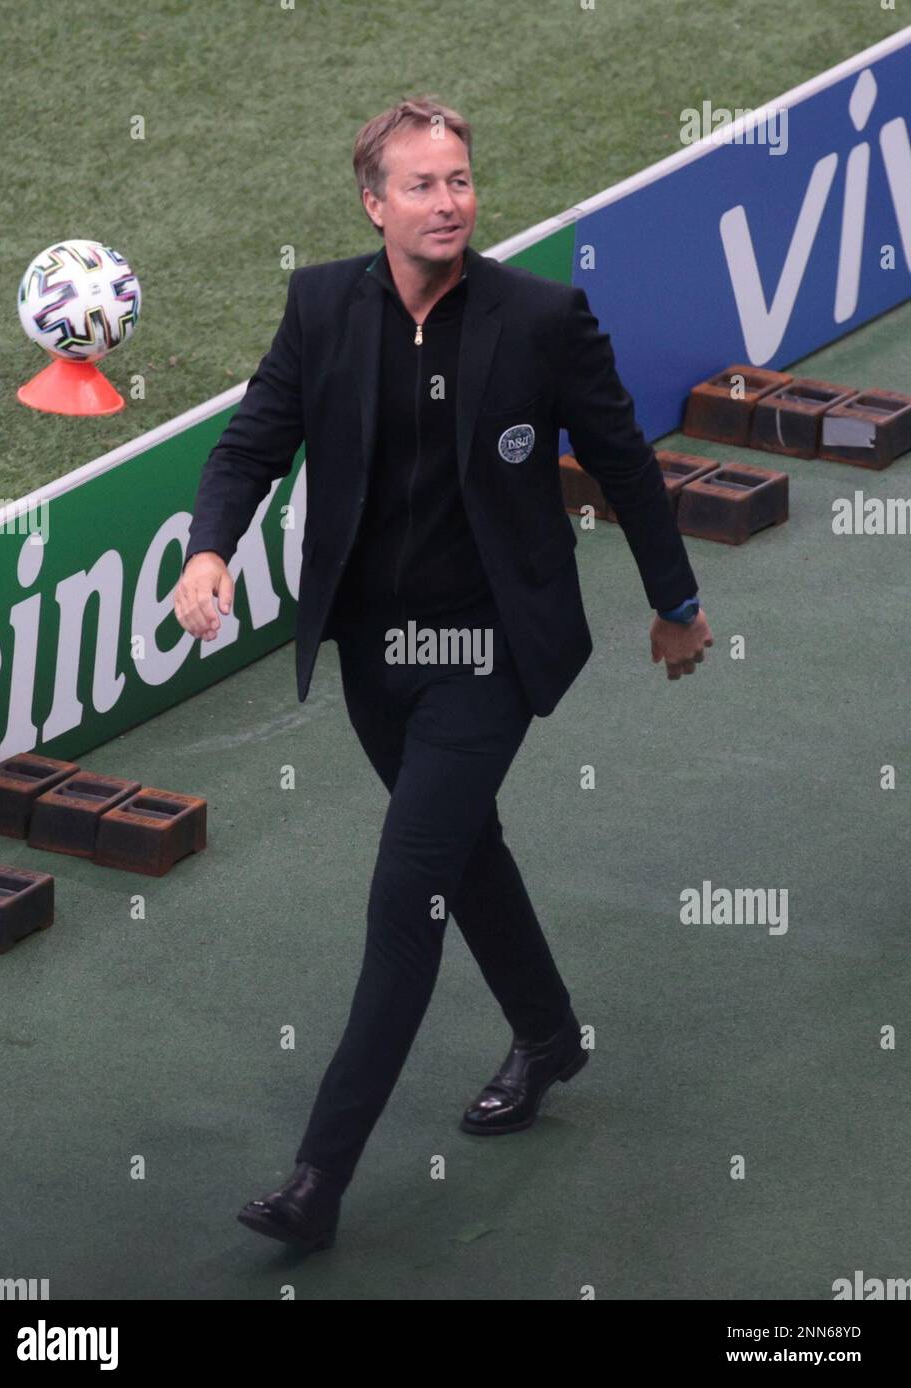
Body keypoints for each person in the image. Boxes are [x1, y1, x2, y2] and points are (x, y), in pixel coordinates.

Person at [174, 95, 713, 1254]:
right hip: (374, 657)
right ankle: (549, 1033)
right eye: (420, 185)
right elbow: (252, 443)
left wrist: (674, 605)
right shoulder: (321, 305)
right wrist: (208, 550)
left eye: (459, 179)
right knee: (466, 852)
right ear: (372, 203)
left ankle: (317, 1181)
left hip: (485, 657)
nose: (447, 202)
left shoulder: (540, 318)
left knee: (405, 891)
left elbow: (619, 457)